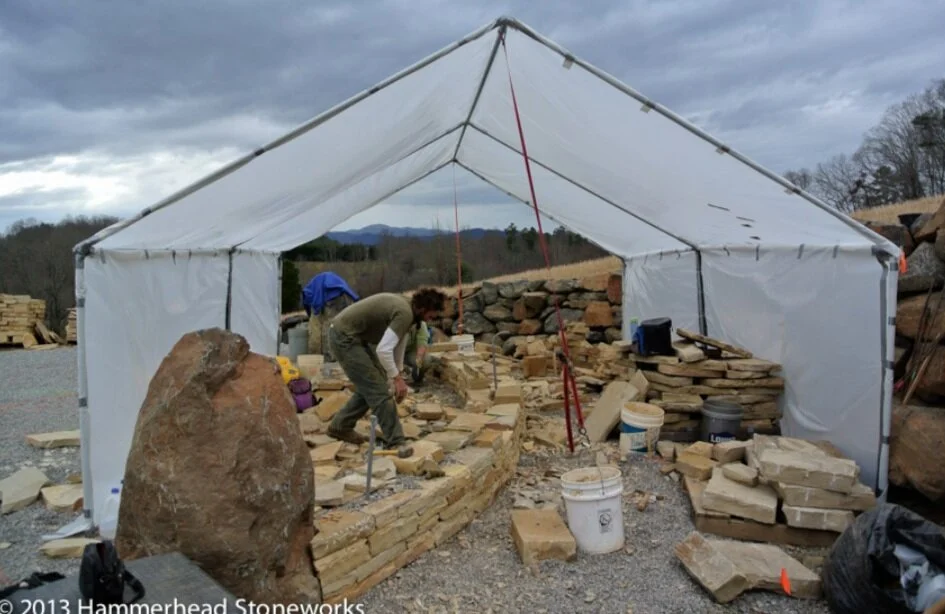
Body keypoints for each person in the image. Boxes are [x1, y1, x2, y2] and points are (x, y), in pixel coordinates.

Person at [326, 288, 446, 457]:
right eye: (431, 316)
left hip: (354, 337)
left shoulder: (409, 310)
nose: (431, 320)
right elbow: (384, 350)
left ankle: (340, 426)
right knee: (378, 390)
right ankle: (396, 442)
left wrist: (398, 375)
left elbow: (399, 343)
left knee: (372, 384)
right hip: (344, 337)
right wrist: (396, 379)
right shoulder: (404, 312)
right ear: (423, 309)